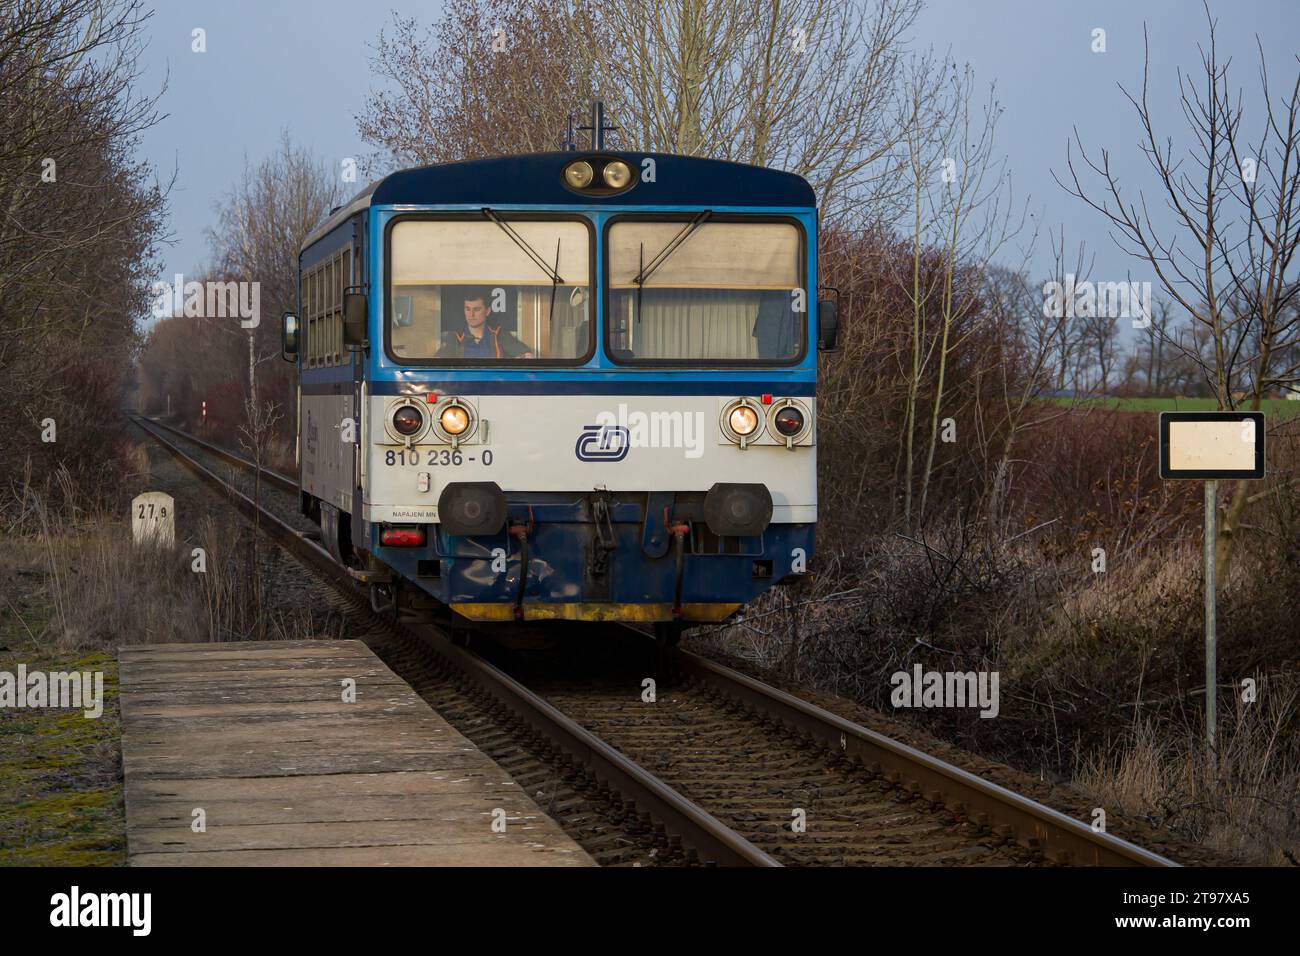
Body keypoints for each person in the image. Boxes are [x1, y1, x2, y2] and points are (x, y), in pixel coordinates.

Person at [436, 290, 534, 359]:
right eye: (468, 309)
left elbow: (526, 355)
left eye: (476, 309)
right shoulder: (456, 336)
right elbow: (438, 361)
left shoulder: (498, 335)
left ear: (487, 311)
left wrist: (524, 356)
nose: (471, 314)